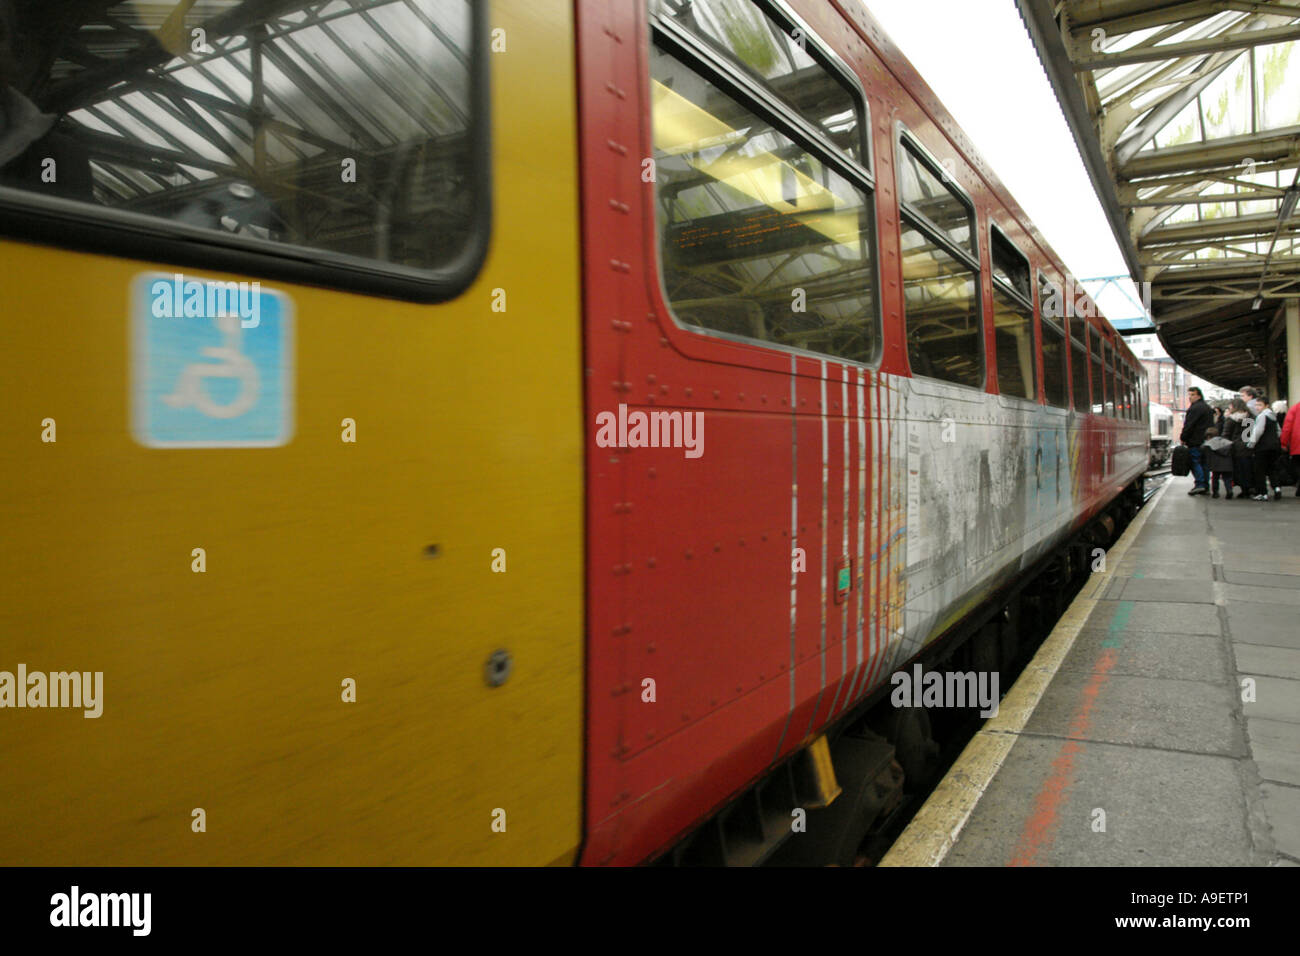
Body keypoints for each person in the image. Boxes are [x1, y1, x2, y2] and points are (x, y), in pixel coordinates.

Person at [1244, 396, 1282, 500]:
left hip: (1262, 447)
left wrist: (1251, 444)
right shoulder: (1273, 416)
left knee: (1259, 470)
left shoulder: (1262, 416)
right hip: (1274, 446)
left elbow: (1258, 431)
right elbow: (1279, 431)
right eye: (1256, 405)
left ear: (1266, 406)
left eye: (1259, 405)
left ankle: (1263, 493)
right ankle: (1277, 488)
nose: (1257, 407)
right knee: (1272, 469)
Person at [1180, 386, 1212, 495]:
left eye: (1192, 395)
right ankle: (1205, 485)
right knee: (1205, 464)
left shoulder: (1195, 408)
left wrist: (1183, 437)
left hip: (1195, 440)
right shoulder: (1207, 408)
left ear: (1199, 395)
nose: (1190, 397)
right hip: (1207, 440)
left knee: (1195, 462)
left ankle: (1200, 484)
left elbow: (1189, 424)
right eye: (1189, 395)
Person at [1223, 398, 1254, 499]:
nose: (1229, 408)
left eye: (1231, 406)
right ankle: (1248, 488)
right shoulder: (1250, 417)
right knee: (1248, 469)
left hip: (1236, 448)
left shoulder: (1232, 419)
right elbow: (1247, 435)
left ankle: (1244, 490)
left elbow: (1226, 435)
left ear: (1235, 407)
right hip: (1248, 446)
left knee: (1239, 470)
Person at [1201, 426, 1235, 499]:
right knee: (1227, 479)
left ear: (1208, 436)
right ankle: (1229, 491)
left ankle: (1215, 493)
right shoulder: (1226, 442)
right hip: (1227, 464)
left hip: (1215, 465)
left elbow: (1202, 449)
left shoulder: (1209, 443)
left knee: (1215, 479)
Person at [1282, 396, 1300, 497]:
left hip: (1297, 442)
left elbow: (1287, 427)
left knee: (1297, 464)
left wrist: (1283, 443)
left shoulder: (1295, 408)